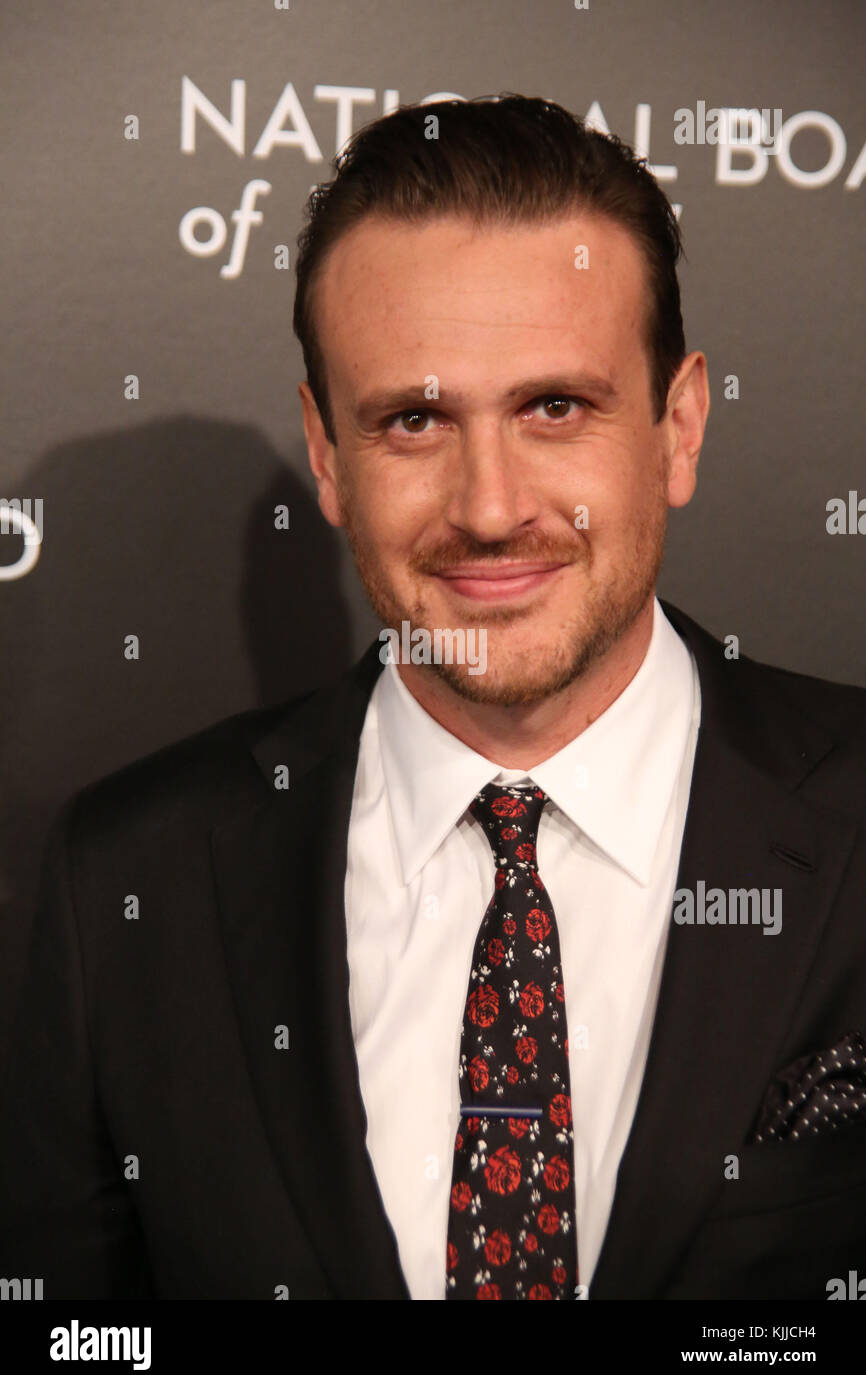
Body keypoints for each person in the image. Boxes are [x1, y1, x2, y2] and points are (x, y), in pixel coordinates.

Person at [2, 95, 865, 1301]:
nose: (489, 504)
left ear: (677, 425)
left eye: (553, 407)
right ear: (326, 453)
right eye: (413, 419)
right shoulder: (130, 880)